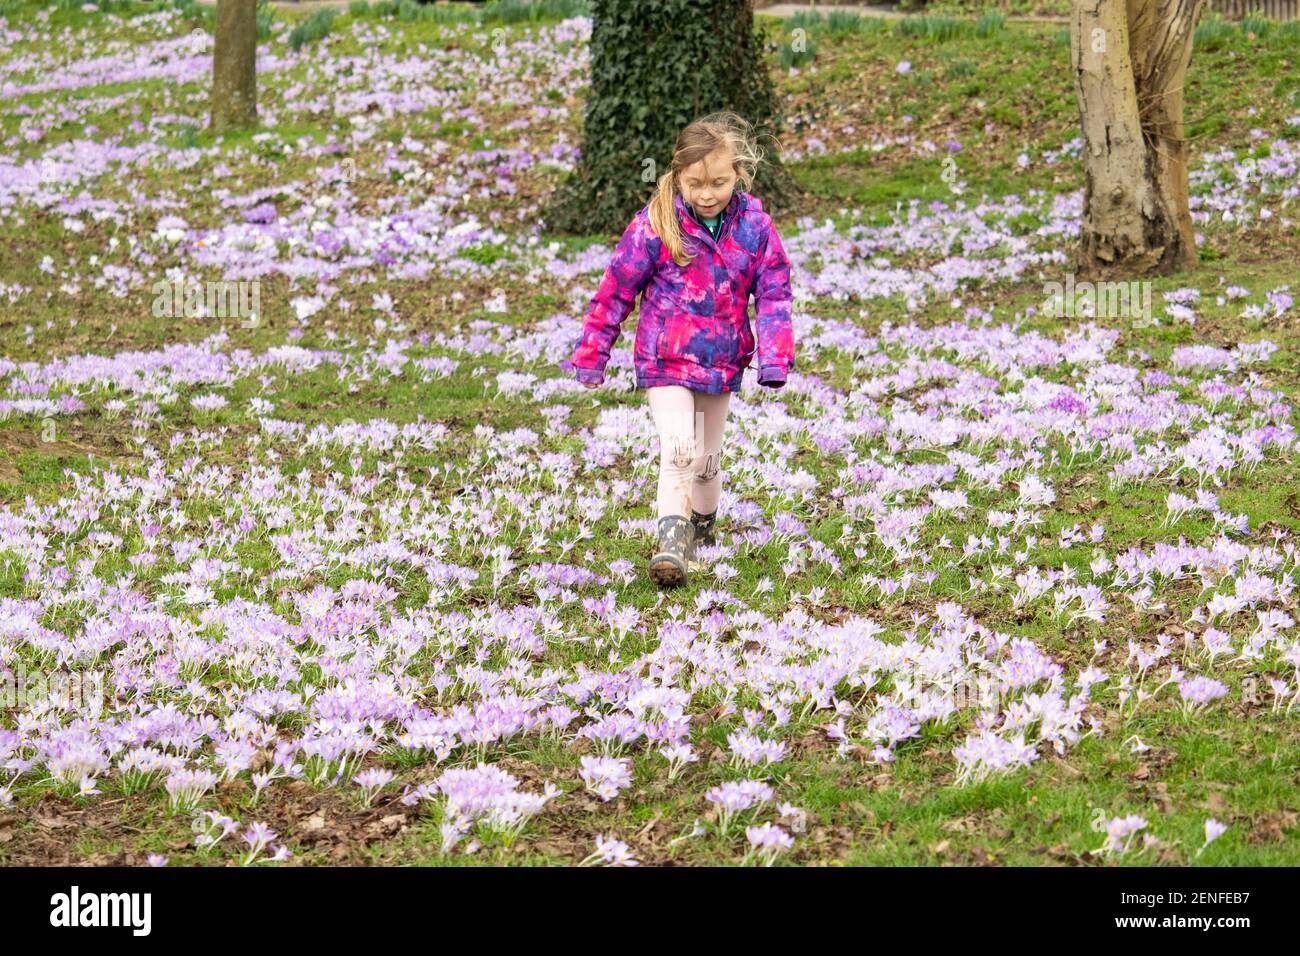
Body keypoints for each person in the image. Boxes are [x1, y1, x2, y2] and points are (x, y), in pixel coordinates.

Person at [561, 111, 796, 587]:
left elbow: (774, 293)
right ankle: (672, 542)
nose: (706, 195)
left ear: (738, 175)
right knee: (680, 447)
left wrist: (775, 356)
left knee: (707, 464)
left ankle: (703, 529)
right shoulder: (656, 223)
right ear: (677, 175)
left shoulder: (755, 227)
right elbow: (617, 289)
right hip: (663, 359)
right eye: (695, 183)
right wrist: (593, 350)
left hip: (721, 362)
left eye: (718, 183)